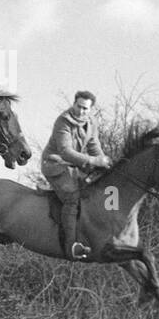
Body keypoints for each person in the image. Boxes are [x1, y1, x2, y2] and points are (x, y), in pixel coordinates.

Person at [41, 90, 111, 260]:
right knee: (72, 198)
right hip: (55, 164)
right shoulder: (63, 121)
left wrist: (105, 163)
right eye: (79, 107)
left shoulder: (91, 122)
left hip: (74, 166)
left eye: (85, 109)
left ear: (91, 110)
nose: (81, 112)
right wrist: (94, 162)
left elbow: (94, 146)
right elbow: (65, 152)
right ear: (74, 104)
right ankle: (71, 246)